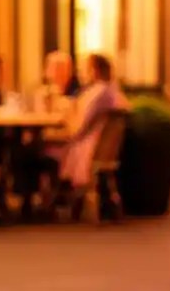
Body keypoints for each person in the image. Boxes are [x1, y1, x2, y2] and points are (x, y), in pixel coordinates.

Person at [52, 54, 128, 219]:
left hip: (89, 148)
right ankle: (60, 200)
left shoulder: (97, 94)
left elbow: (80, 125)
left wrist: (67, 117)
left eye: (85, 69)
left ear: (94, 71)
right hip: (99, 147)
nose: (82, 73)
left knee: (45, 151)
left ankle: (54, 201)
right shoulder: (111, 91)